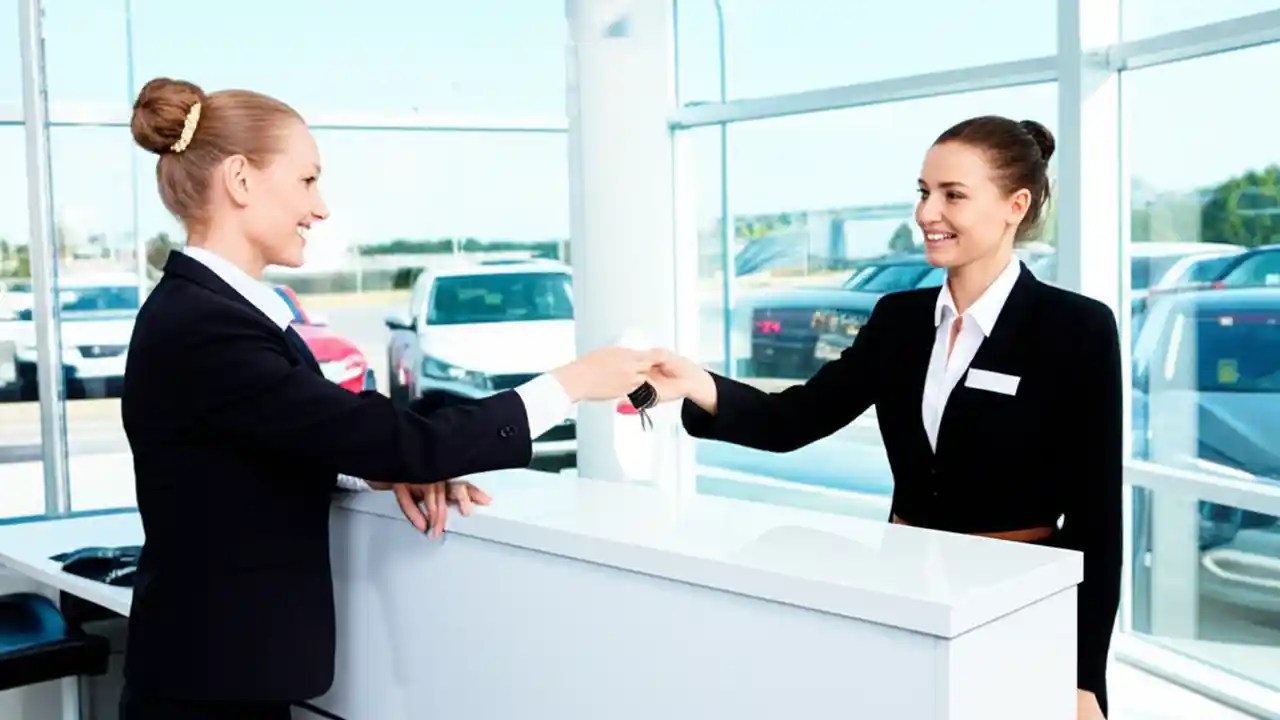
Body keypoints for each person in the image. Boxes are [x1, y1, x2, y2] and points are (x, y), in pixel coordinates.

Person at [118, 77, 655, 720]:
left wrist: (381, 465)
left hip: (213, 677)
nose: (319, 209)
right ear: (240, 179)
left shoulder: (212, 312)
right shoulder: (207, 325)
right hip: (207, 690)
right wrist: (571, 383)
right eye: (308, 181)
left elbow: (310, 431)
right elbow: (389, 436)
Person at [647, 116, 1121, 719]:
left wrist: (1084, 678)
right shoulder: (898, 319)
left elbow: (1097, 521)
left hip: (1015, 601)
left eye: (953, 195)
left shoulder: (1075, 328)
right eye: (924, 191)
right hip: (906, 590)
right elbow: (791, 421)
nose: (927, 212)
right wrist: (698, 383)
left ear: (1015, 205)